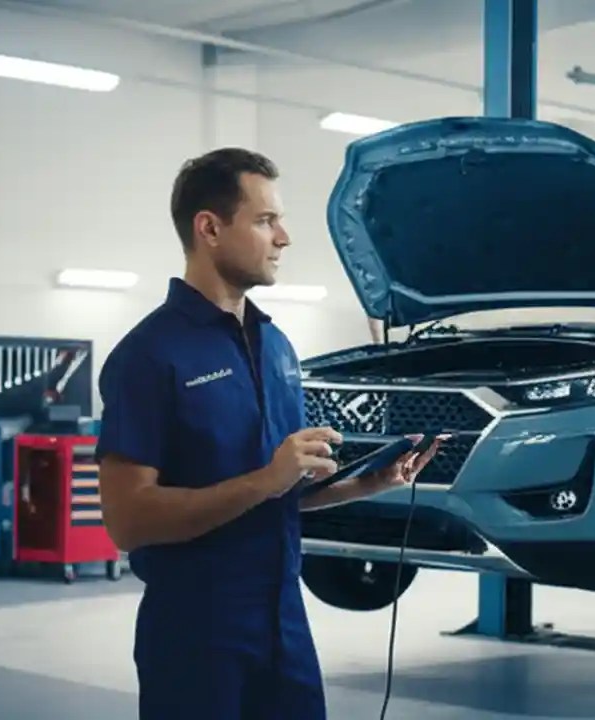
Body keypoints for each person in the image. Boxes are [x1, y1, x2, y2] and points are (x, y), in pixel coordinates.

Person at [94, 148, 443, 719]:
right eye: (264, 220)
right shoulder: (148, 355)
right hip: (195, 631)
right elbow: (127, 520)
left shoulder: (277, 348)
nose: (284, 237)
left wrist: (361, 485)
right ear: (209, 227)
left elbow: (278, 493)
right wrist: (267, 479)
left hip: (283, 618)